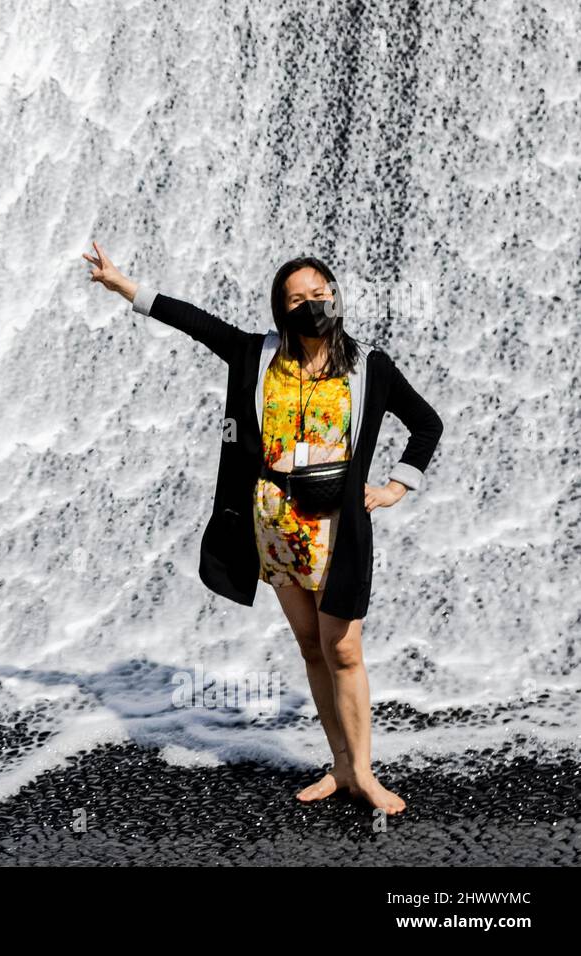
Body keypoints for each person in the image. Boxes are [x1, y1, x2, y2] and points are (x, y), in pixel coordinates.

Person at [84, 242, 443, 815]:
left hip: (337, 526)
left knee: (344, 649)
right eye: (296, 299)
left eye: (319, 295)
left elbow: (426, 424)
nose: (310, 305)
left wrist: (398, 486)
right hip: (274, 523)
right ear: (280, 309)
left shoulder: (370, 365)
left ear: (336, 297)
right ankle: (341, 766)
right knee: (310, 647)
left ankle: (366, 773)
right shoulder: (256, 355)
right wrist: (123, 285)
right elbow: (194, 321)